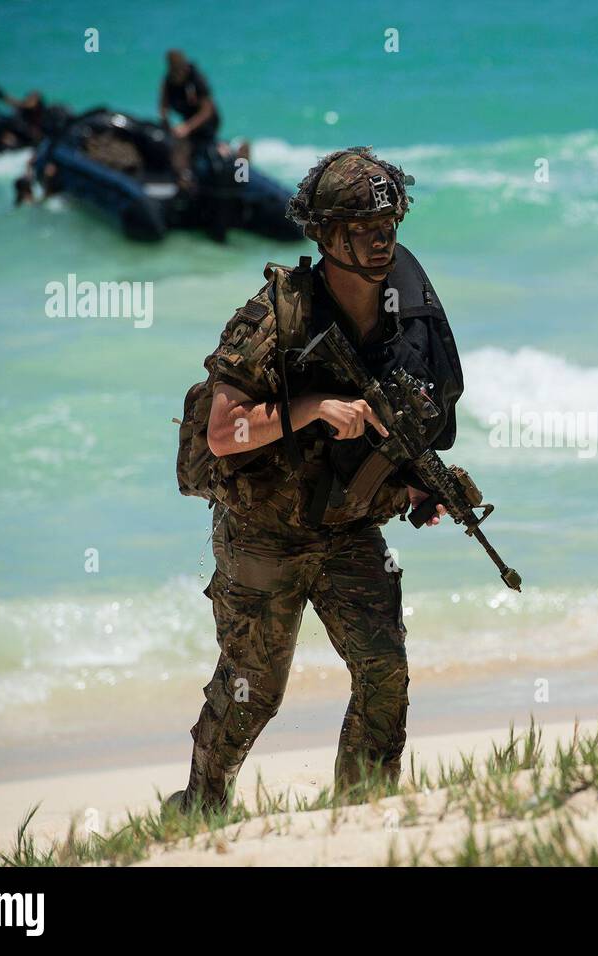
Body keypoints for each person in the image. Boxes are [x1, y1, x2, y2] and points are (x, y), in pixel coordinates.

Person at [169, 147, 467, 813]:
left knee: (384, 670)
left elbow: (412, 407)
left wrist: (419, 483)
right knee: (254, 689)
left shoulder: (402, 310)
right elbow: (223, 433)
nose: (384, 238)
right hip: (263, 533)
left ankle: (361, 809)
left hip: (345, 527)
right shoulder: (274, 314)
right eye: (366, 228)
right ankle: (200, 806)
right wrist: (307, 409)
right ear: (328, 236)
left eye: (390, 223)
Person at [158, 49, 220, 189]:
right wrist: (165, 121)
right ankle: (183, 178)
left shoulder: (196, 80)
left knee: (187, 147)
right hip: (187, 120)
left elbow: (207, 110)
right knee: (177, 145)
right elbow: (163, 106)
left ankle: (189, 180)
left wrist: (187, 127)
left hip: (206, 121)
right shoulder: (169, 80)